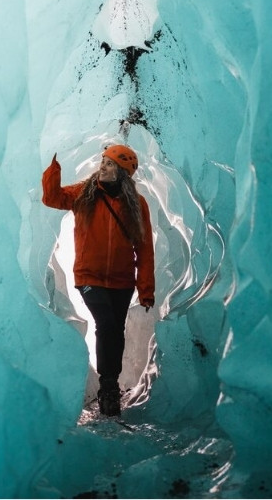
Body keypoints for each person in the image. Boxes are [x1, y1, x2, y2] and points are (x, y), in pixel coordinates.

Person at [42, 144, 155, 416]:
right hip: (89, 277)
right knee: (105, 325)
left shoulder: (137, 204)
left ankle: (111, 384)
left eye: (109, 164)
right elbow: (53, 198)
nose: (102, 166)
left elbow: (144, 247)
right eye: (103, 161)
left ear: (122, 173)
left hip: (122, 280)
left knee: (115, 330)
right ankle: (107, 387)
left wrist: (146, 289)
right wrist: (53, 170)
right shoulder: (84, 193)